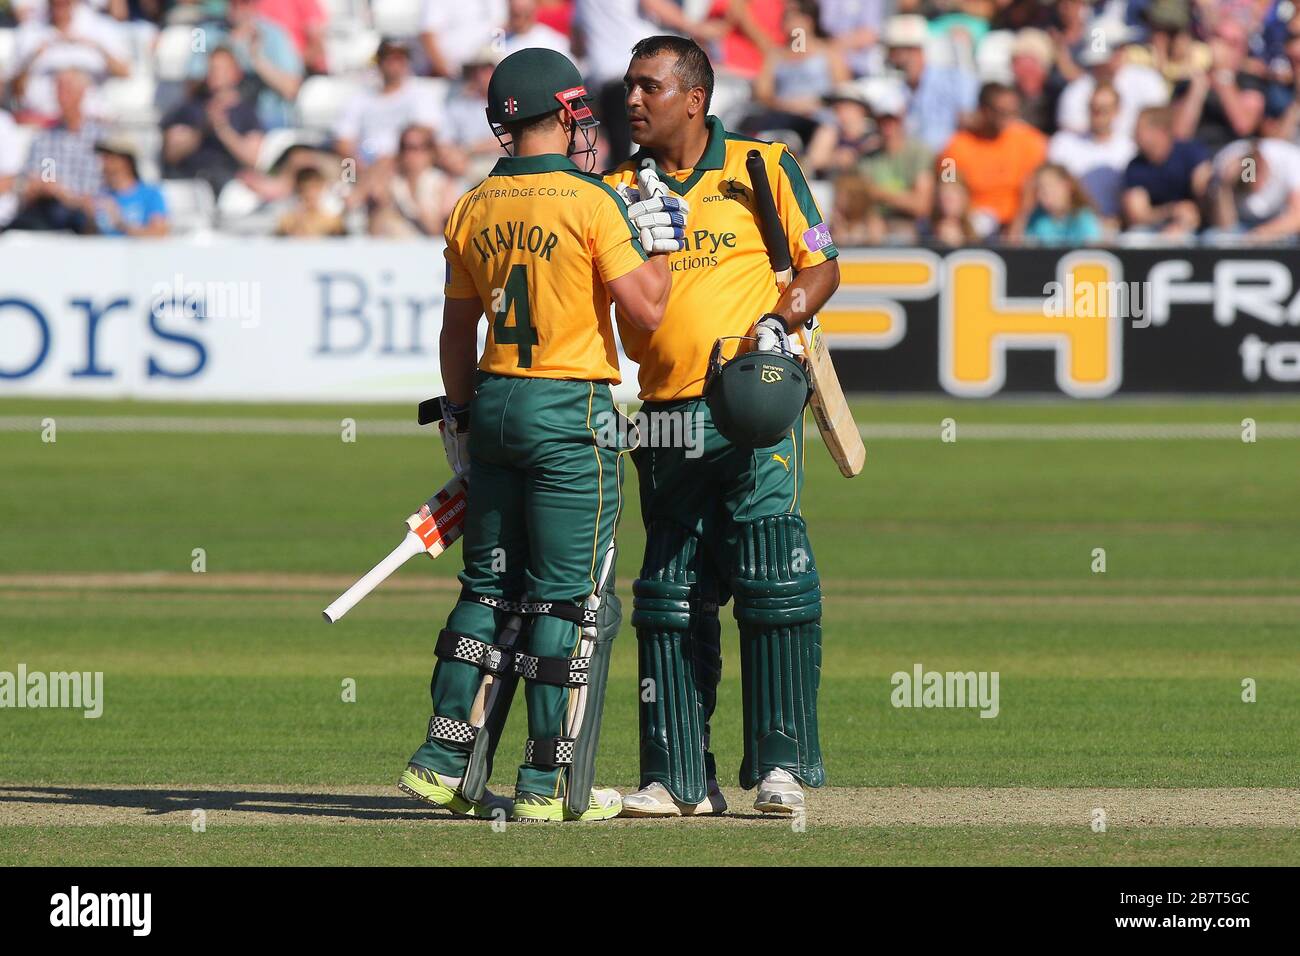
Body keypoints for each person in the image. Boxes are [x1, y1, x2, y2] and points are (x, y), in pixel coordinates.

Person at [397, 47, 675, 824]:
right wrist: (665, 244)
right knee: (567, 604)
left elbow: (457, 332)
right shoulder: (592, 201)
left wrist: (458, 417)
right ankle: (544, 786)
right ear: (562, 113)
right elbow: (648, 311)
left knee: (486, 588)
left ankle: (441, 759)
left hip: (492, 405)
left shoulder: (471, 204)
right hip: (568, 411)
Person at [604, 35, 840, 818]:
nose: (633, 100)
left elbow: (821, 265)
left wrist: (781, 322)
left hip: (752, 403)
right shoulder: (614, 191)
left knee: (772, 575)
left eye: (649, 87)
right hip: (664, 414)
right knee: (670, 593)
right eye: (629, 87)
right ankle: (676, 776)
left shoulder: (760, 167)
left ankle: (782, 765)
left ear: (694, 98)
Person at [938, 82, 1047, 237]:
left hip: (1020, 221)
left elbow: (1032, 189)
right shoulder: (955, 146)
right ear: (984, 111)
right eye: (1002, 112)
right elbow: (948, 184)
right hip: (973, 221)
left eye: (1013, 111)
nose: (1009, 118)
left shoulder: (1031, 142)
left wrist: (1017, 226)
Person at [744, 0, 850, 148]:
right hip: (782, 116)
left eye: (795, 15)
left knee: (827, 130)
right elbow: (762, 92)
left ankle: (807, 168)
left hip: (819, 117)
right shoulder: (775, 55)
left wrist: (815, 104)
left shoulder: (829, 53)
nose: (789, 21)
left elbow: (843, 91)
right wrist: (785, 105)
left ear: (809, 19)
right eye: (787, 16)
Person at [184, 0, 303, 130]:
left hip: (265, 121)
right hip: (214, 121)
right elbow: (190, 84)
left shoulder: (277, 33)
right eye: (233, 2)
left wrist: (257, 58)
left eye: (244, 2)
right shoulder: (201, 33)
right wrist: (223, 59)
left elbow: (292, 89)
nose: (238, 8)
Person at [162, 46, 264, 195]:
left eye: (222, 69)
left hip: (230, 181)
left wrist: (222, 129)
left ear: (236, 73)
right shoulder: (190, 107)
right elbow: (171, 152)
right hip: (191, 180)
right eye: (212, 68)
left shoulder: (247, 112)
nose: (215, 74)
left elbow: (252, 159)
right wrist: (203, 129)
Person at [7, 0, 130, 124]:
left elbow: (125, 72)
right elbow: (14, 89)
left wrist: (96, 48)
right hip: (42, 121)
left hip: (92, 120)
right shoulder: (29, 30)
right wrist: (33, 57)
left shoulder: (100, 26)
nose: (60, 4)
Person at [10, 69, 103, 232]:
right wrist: (46, 187)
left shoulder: (101, 138)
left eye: (67, 90)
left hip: (89, 213)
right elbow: (45, 179)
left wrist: (71, 197)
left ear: (81, 93)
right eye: (58, 90)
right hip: (52, 210)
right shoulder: (47, 138)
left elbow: (110, 186)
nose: (61, 96)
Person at [332, 38, 441, 171]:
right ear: (379, 62)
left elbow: (425, 135)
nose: (394, 63)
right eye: (389, 58)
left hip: (402, 163)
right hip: (363, 163)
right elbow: (343, 141)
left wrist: (391, 159)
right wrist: (358, 164)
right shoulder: (359, 97)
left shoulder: (421, 93)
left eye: (400, 58)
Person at [1055, 19, 1168, 140]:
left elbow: (1159, 126)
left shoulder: (1148, 80)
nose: (1119, 53)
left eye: (1119, 48)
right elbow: (1070, 137)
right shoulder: (1076, 90)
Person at [884, 13, 980, 154]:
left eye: (911, 49)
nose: (905, 57)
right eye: (898, 50)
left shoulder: (954, 79)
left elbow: (970, 120)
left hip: (949, 158)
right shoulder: (895, 87)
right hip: (914, 161)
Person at [1171, 16, 1267, 152]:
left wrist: (1223, 76)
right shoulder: (1188, 81)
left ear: (1243, 50)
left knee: (1248, 166)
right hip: (1195, 154)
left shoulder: (1250, 81)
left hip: (1236, 153)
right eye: (1218, 38)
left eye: (1232, 43)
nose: (1222, 47)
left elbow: (1244, 126)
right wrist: (1197, 89)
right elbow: (1179, 133)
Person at [854, 78, 934, 242]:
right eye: (883, 120)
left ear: (902, 118)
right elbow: (860, 199)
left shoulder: (919, 152)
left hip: (909, 224)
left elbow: (921, 205)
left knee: (901, 232)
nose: (887, 125)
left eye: (892, 119)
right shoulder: (867, 156)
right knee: (865, 228)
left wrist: (878, 193)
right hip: (874, 223)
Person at [1047, 83, 1136, 225]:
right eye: (1093, 108)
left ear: (1117, 111)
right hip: (1070, 224)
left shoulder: (1129, 149)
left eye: (1104, 109)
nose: (1098, 114)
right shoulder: (1063, 143)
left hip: (1115, 225)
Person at [1121, 103, 1212, 237]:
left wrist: (1191, 214)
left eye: (1139, 130)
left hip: (1198, 228)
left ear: (1160, 131)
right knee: (1134, 237)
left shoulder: (1191, 153)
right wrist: (1171, 211)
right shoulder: (1135, 167)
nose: (1134, 135)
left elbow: (1207, 193)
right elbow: (1137, 215)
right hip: (1156, 229)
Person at [365, 124, 457, 237]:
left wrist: (416, 205)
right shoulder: (393, 182)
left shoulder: (442, 183)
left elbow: (443, 232)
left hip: (431, 248)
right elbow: (374, 230)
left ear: (431, 152)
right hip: (394, 248)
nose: (410, 154)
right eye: (405, 147)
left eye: (417, 147)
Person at [1209, 137, 1300, 243]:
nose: (1255, 183)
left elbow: (1297, 217)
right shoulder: (1226, 161)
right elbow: (1225, 225)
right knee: (1212, 237)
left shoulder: (1290, 160)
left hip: (1278, 226)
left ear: (1261, 161)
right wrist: (1225, 186)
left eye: (1257, 173)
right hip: (1242, 227)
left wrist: (1260, 234)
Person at [91, 136, 168, 236]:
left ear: (125, 161)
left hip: (140, 252)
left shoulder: (151, 194)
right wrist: (90, 219)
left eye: (108, 157)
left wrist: (120, 223)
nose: (103, 163)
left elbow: (158, 233)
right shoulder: (100, 195)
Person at [1022, 162, 1104, 243]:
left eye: (1048, 186)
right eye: (1038, 189)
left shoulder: (1084, 217)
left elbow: (1092, 249)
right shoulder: (1037, 219)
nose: (1042, 194)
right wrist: (1024, 212)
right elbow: (1017, 248)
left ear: (1067, 186)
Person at [275, 165, 343, 236]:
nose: (311, 193)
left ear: (322, 187)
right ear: (299, 190)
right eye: (306, 188)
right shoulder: (287, 222)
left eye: (315, 187)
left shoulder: (333, 222)